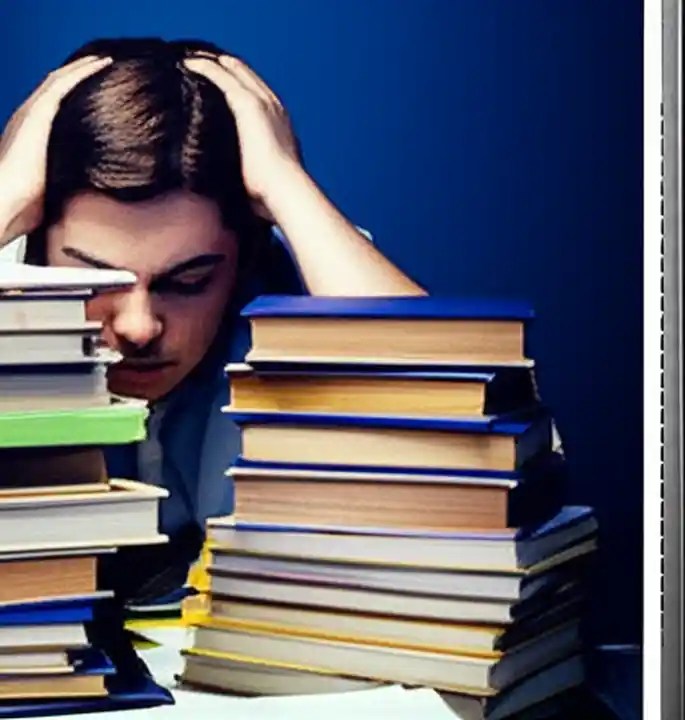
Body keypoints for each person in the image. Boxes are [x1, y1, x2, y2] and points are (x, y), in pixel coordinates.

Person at [0, 38, 426, 603]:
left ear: (245, 256)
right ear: (35, 251)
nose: (138, 327)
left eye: (189, 282)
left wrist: (286, 187)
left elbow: (479, 438)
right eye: (93, 282)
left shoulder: (310, 290)